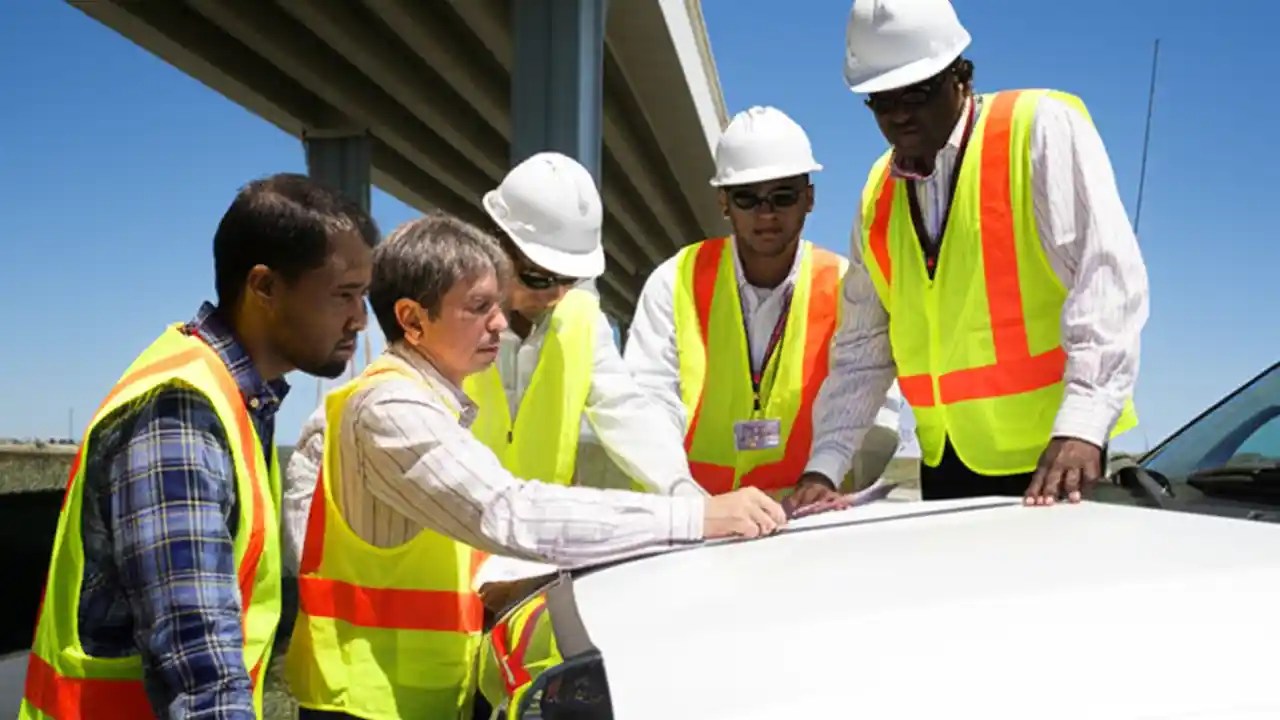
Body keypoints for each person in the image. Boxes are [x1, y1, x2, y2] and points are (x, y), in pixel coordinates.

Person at [283, 211, 786, 720]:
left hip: (414, 690)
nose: (500, 324)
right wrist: (699, 517)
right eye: (479, 308)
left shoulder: (420, 401)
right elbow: (508, 513)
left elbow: (626, 415)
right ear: (413, 321)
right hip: (366, 701)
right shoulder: (393, 411)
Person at [18, 173, 377, 720]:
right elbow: (200, 670)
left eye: (364, 295)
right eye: (344, 295)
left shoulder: (236, 400)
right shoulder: (181, 415)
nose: (360, 319)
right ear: (264, 287)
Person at [813, 0, 1149, 504]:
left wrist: (1082, 425)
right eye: (881, 99)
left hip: (1058, 461)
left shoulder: (1038, 129)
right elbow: (863, 349)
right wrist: (825, 468)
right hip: (945, 467)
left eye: (917, 92)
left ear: (959, 76)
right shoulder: (878, 190)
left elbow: (1106, 280)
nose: (900, 113)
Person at [625, 105, 903, 508]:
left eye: (783, 196)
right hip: (694, 516)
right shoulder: (676, 280)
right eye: (747, 198)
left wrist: (827, 476)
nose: (766, 213)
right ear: (724, 202)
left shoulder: (845, 285)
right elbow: (648, 398)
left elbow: (874, 401)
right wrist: (684, 497)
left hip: (802, 518)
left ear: (809, 198)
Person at [464, 151, 702, 496]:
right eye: (539, 278)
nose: (556, 295)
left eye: (569, 279)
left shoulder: (582, 320)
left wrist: (682, 488)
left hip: (537, 534)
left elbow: (625, 410)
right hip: (457, 534)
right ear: (496, 245)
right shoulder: (449, 314)